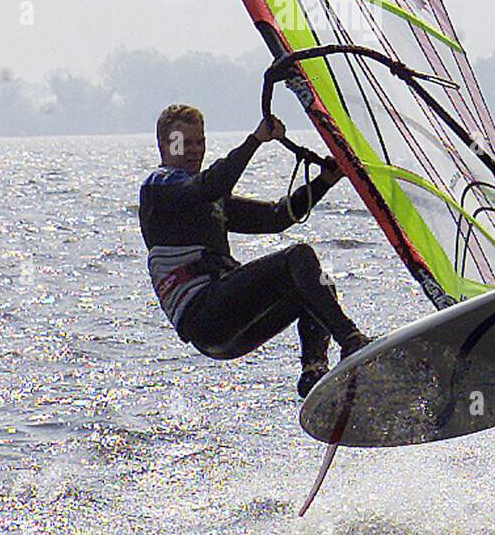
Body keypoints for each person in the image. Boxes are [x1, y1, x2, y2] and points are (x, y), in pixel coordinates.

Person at [138, 103, 370, 397]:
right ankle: (352, 341)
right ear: (164, 144)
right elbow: (211, 186)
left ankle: (315, 374)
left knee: (318, 286)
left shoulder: (208, 199)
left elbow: (276, 217)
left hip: (227, 331)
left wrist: (324, 182)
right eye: (184, 142)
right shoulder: (160, 187)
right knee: (298, 256)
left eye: (200, 141)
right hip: (204, 315)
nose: (195, 149)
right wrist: (256, 140)